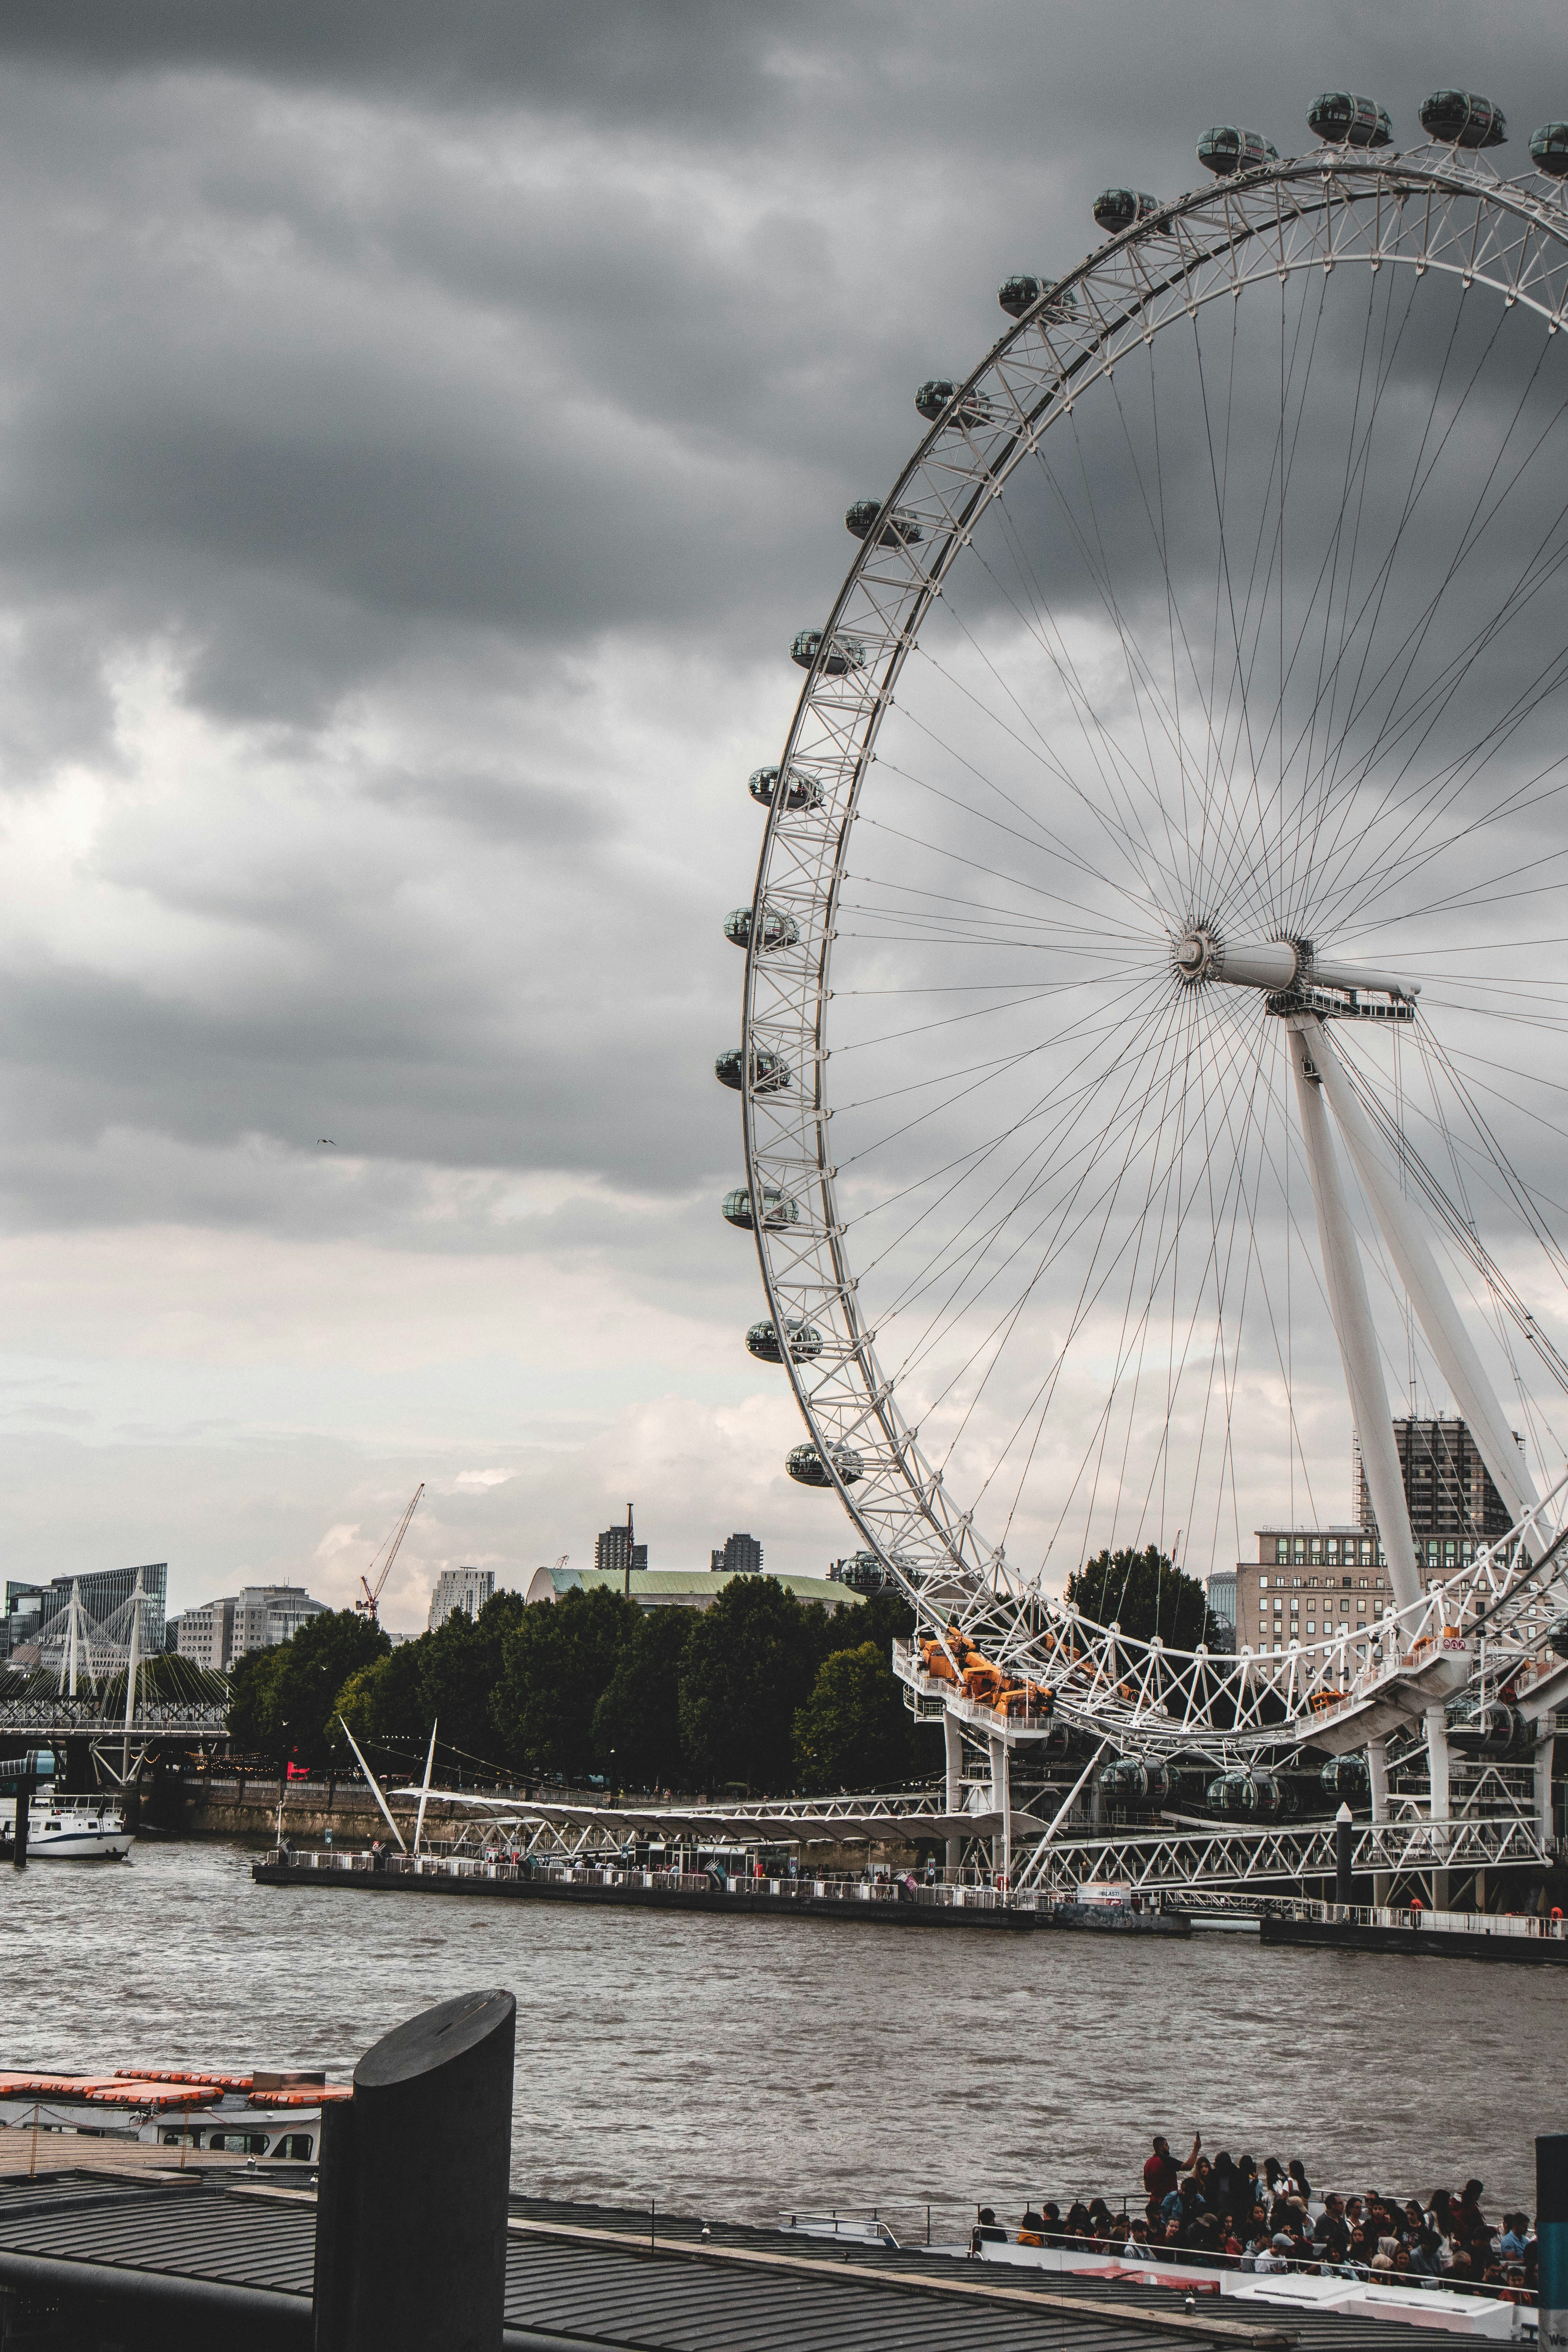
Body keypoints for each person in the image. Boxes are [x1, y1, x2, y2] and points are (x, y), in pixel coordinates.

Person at [1144, 2131, 1200, 2205]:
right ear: (1161, 2147)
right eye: (1166, 2145)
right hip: (1168, 2202)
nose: (1168, 2147)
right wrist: (1196, 2149)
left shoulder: (1148, 2164)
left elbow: (1147, 2188)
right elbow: (1188, 2166)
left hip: (1154, 2203)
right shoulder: (1166, 2160)